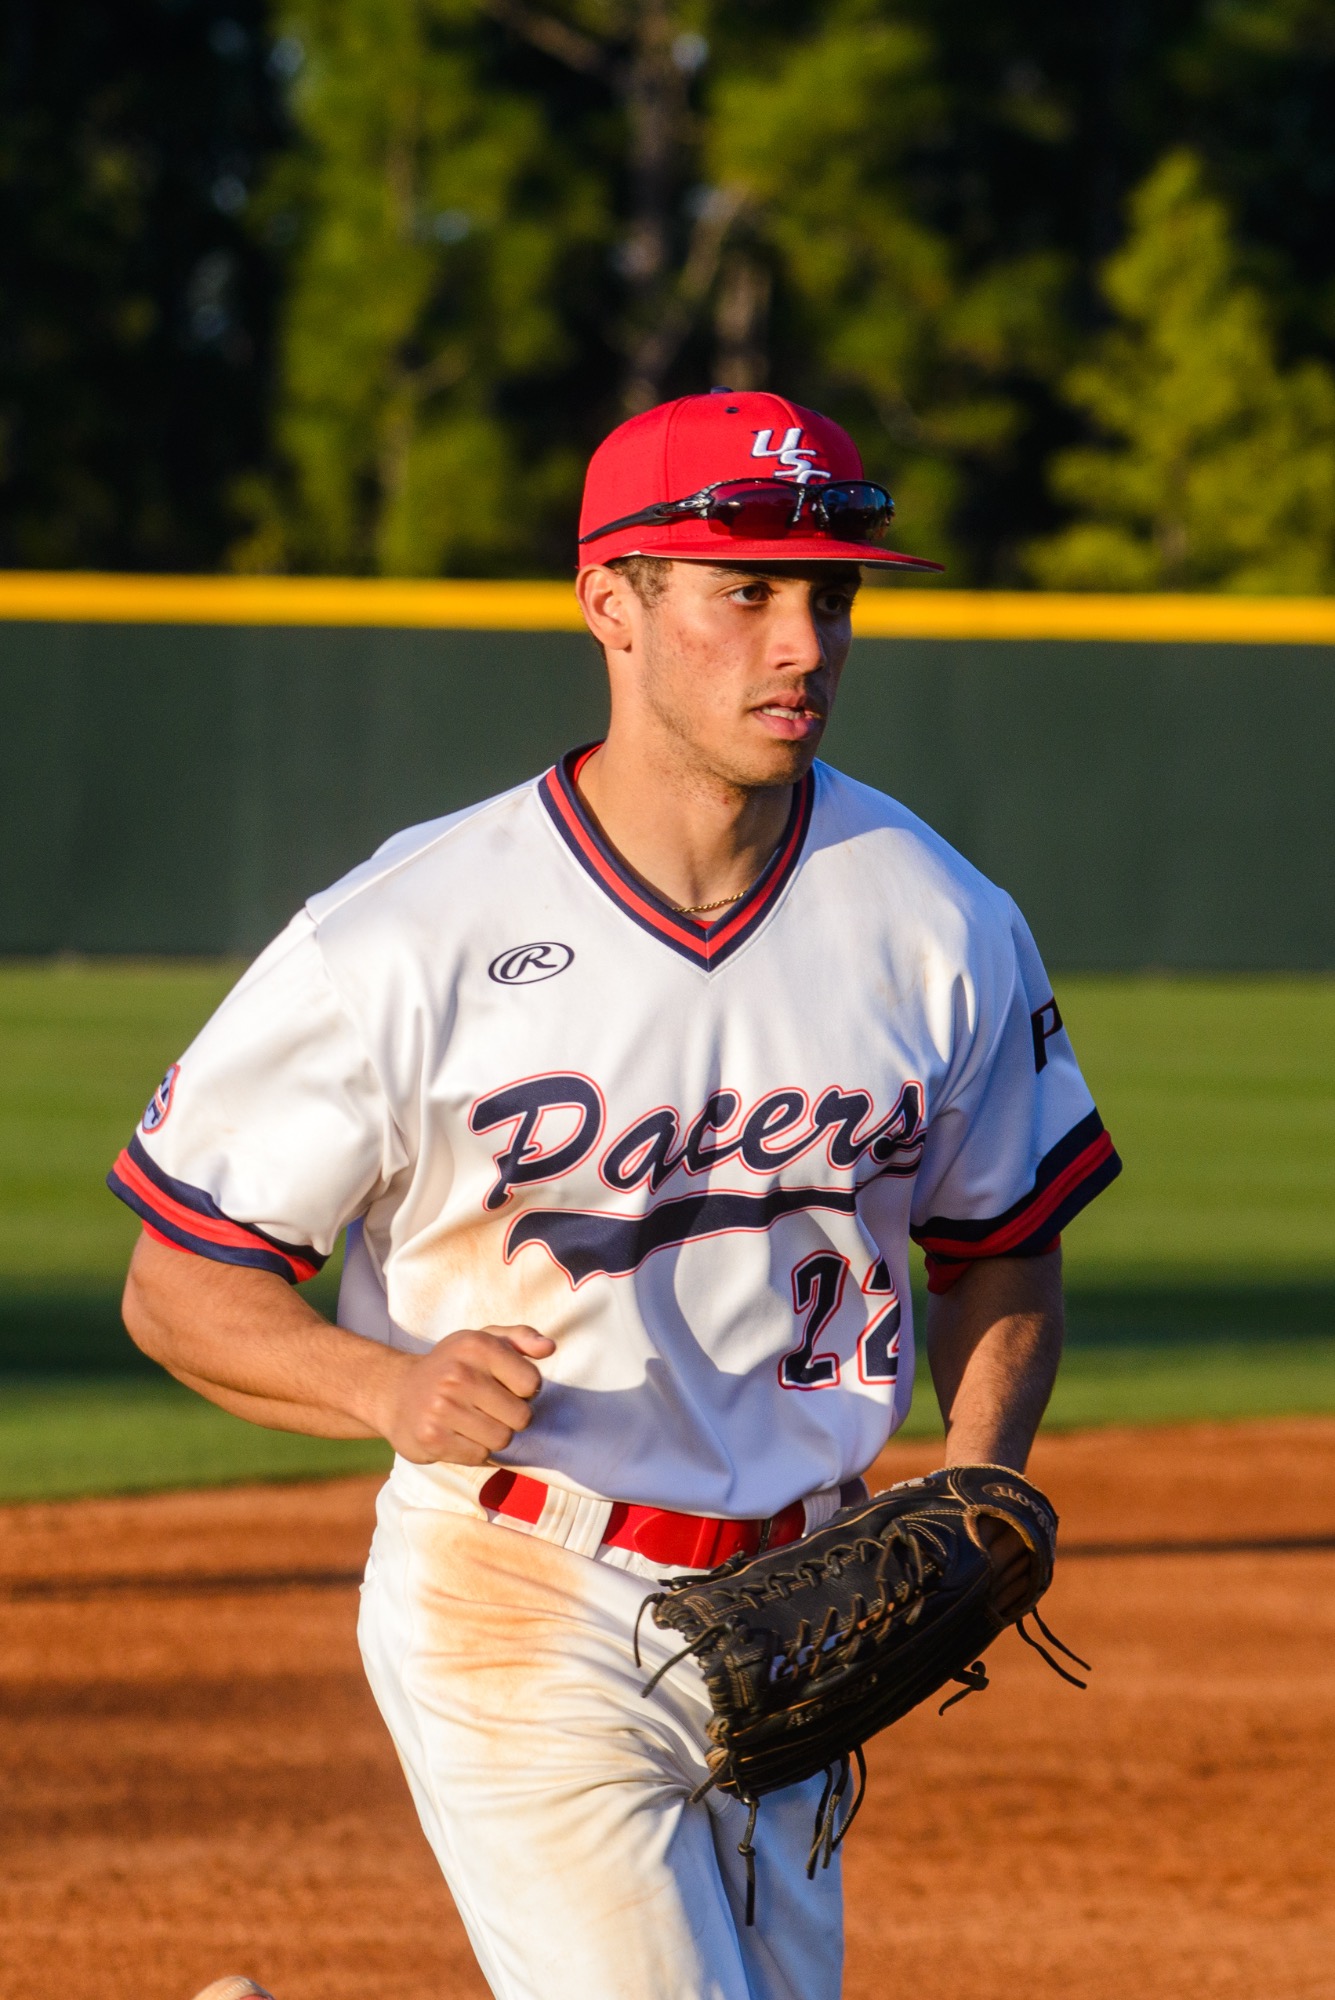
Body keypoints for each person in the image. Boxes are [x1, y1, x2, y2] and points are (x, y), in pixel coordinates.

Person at [113, 390, 1120, 2000]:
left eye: (830, 594)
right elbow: (177, 1281)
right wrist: (385, 1382)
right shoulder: (407, 932)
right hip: (523, 1593)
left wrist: (976, 1487)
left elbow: (1003, 1252)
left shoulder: (938, 917)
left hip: (805, 1618)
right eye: (747, 590)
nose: (803, 642)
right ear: (614, 605)